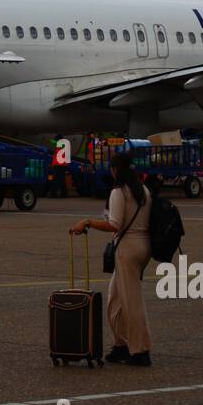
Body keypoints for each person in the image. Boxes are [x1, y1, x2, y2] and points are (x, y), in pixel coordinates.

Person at [70, 152, 153, 366]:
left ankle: (140, 351)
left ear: (115, 169)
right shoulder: (143, 191)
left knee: (131, 301)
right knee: (115, 299)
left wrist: (87, 222)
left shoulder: (119, 192)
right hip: (143, 245)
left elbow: (115, 224)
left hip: (127, 247)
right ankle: (121, 344)